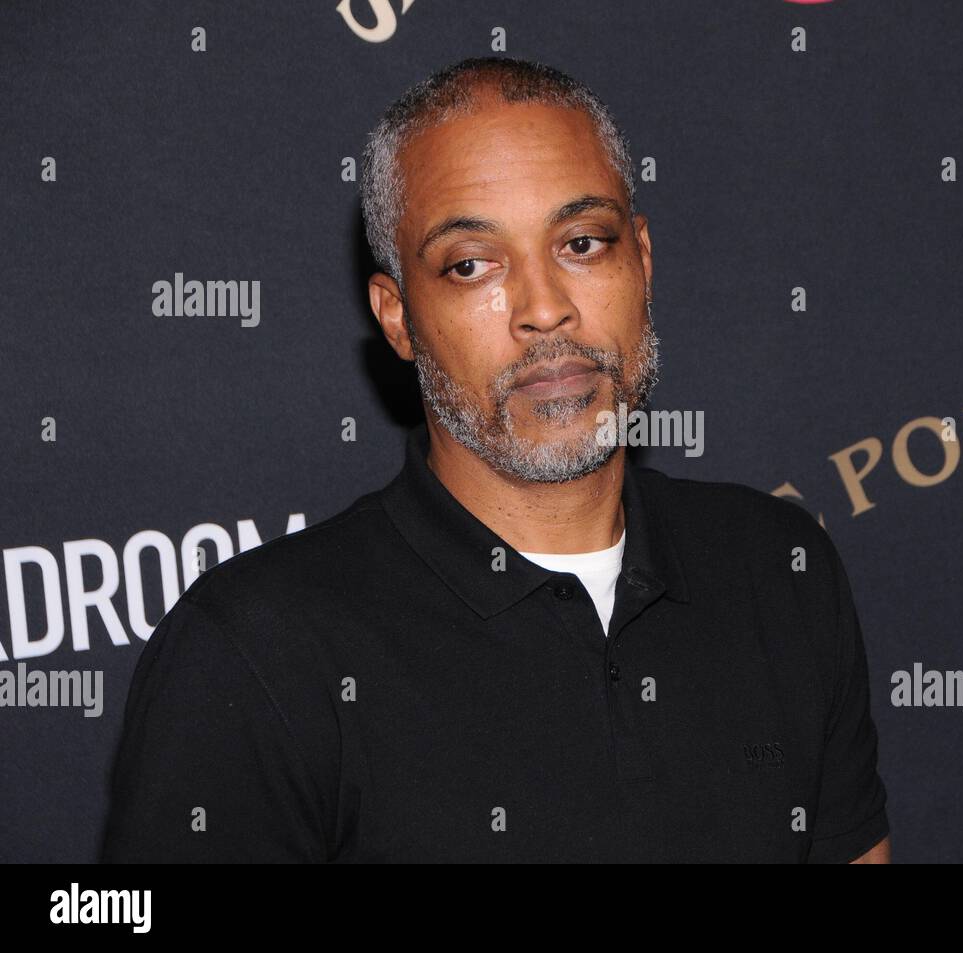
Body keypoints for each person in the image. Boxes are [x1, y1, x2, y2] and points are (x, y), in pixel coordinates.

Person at [101, 55, 891, 863]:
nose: (545, 308)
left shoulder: (782, 570)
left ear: (642, 262)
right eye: (471, 264)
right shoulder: (251, 652)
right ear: (398, 316)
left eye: (582, 242)